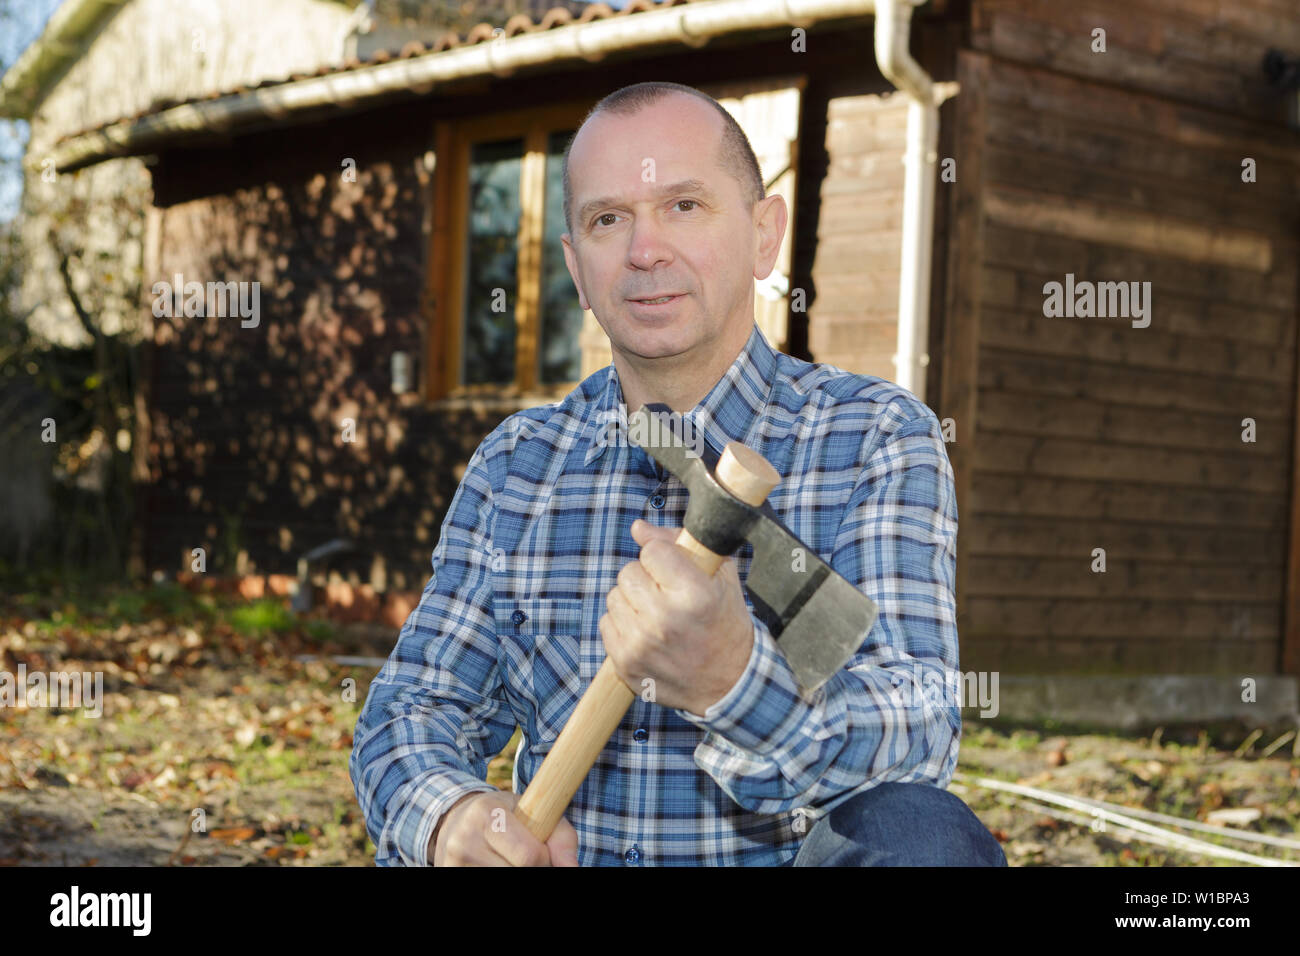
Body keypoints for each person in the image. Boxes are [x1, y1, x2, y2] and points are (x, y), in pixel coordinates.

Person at [350, 80, 1007, 867]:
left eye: (684, 206)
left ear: (766, 235)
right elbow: (412, 708)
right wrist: (451, 815)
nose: (644, 249)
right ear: (577, 269)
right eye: (607, 219)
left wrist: (734, 680)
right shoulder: (518, 465)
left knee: (921, 838)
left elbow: (921, 726)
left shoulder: (874, 438)